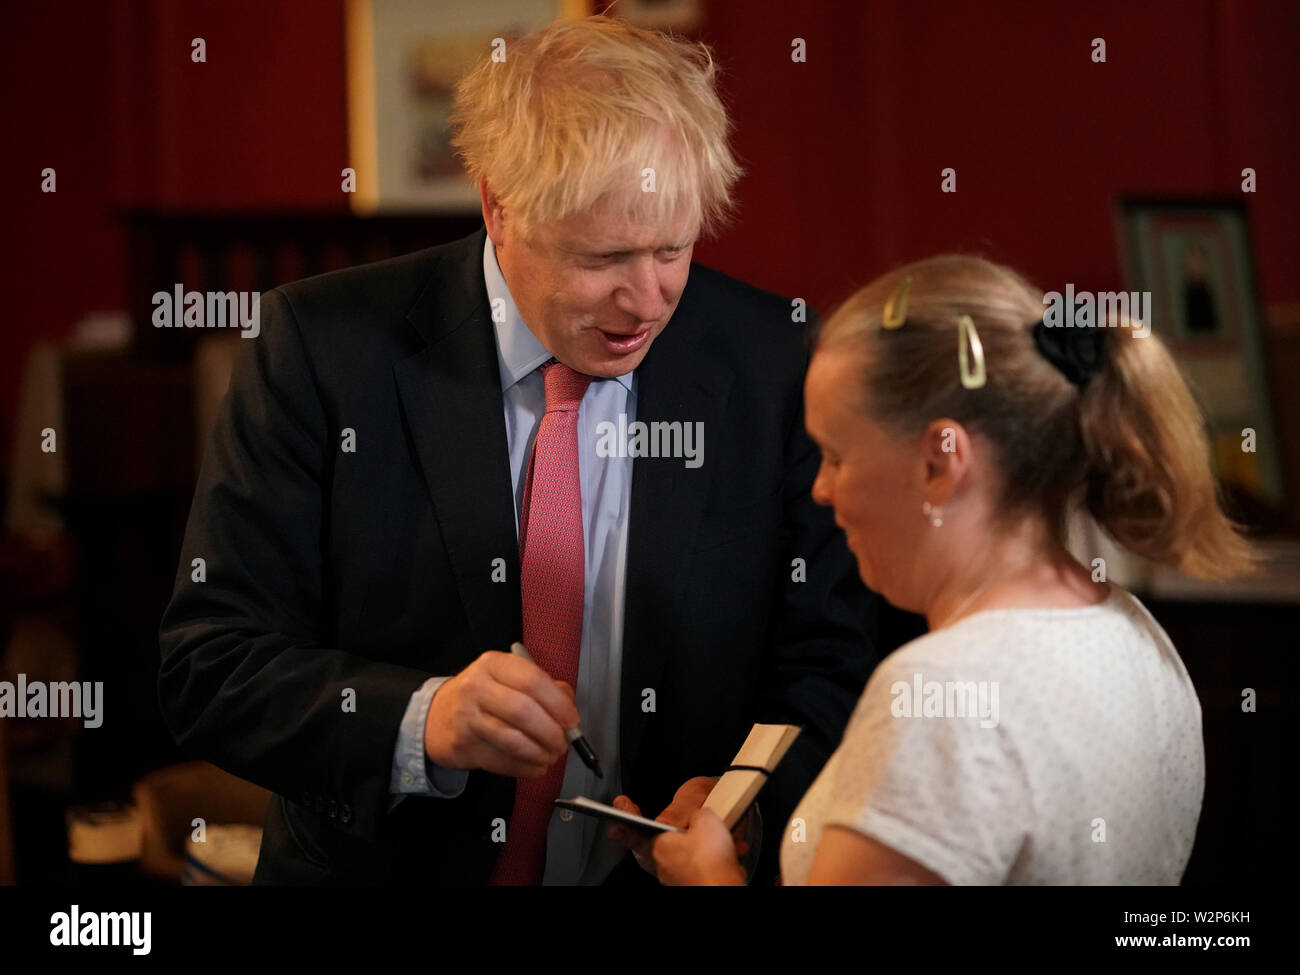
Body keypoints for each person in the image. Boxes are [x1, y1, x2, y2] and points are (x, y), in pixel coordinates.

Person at [156, 15, 878, 885]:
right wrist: (424, 721)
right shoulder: (321, 346)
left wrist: (747, 806)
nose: (647, 300)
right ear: (499, 205)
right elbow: (210, 664)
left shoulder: (776, 359)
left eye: (674, 249)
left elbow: (837, 664)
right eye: (605, 256)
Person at [623, 254, 1257, 884]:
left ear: (939, 464)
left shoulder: (937, 695)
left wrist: (706, 879)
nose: (819, 490)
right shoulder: (1139, 636)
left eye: (838, 457)